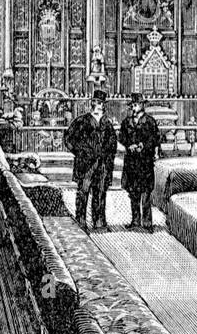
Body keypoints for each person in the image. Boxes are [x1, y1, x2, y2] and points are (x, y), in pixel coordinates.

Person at [65, 88, 117, 231]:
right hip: (86, 164)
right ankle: (81, 221)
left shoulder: (107, 124)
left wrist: (107, 156)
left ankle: (99, 222)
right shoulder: (81, 121)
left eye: (101, 103)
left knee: (100, 193)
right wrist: (80, 152)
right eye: (96, 102)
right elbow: (69, 139)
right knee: (83, 192)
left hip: (102, 165)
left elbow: (113, 143)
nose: (99, 105)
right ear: (92, 103)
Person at [118, 92, 162, 231]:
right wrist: (129, 145)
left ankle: (147, 223)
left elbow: (155, 139)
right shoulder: (126, 122)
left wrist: (144, 145)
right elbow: (122, 138)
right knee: (133, 192)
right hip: (131, 162)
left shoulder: (150, 121)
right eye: (133, 105)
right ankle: (135, 221)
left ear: (143, 106)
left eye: (137, 105)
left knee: (146, 193)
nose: (134, 107)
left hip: (145, 162)